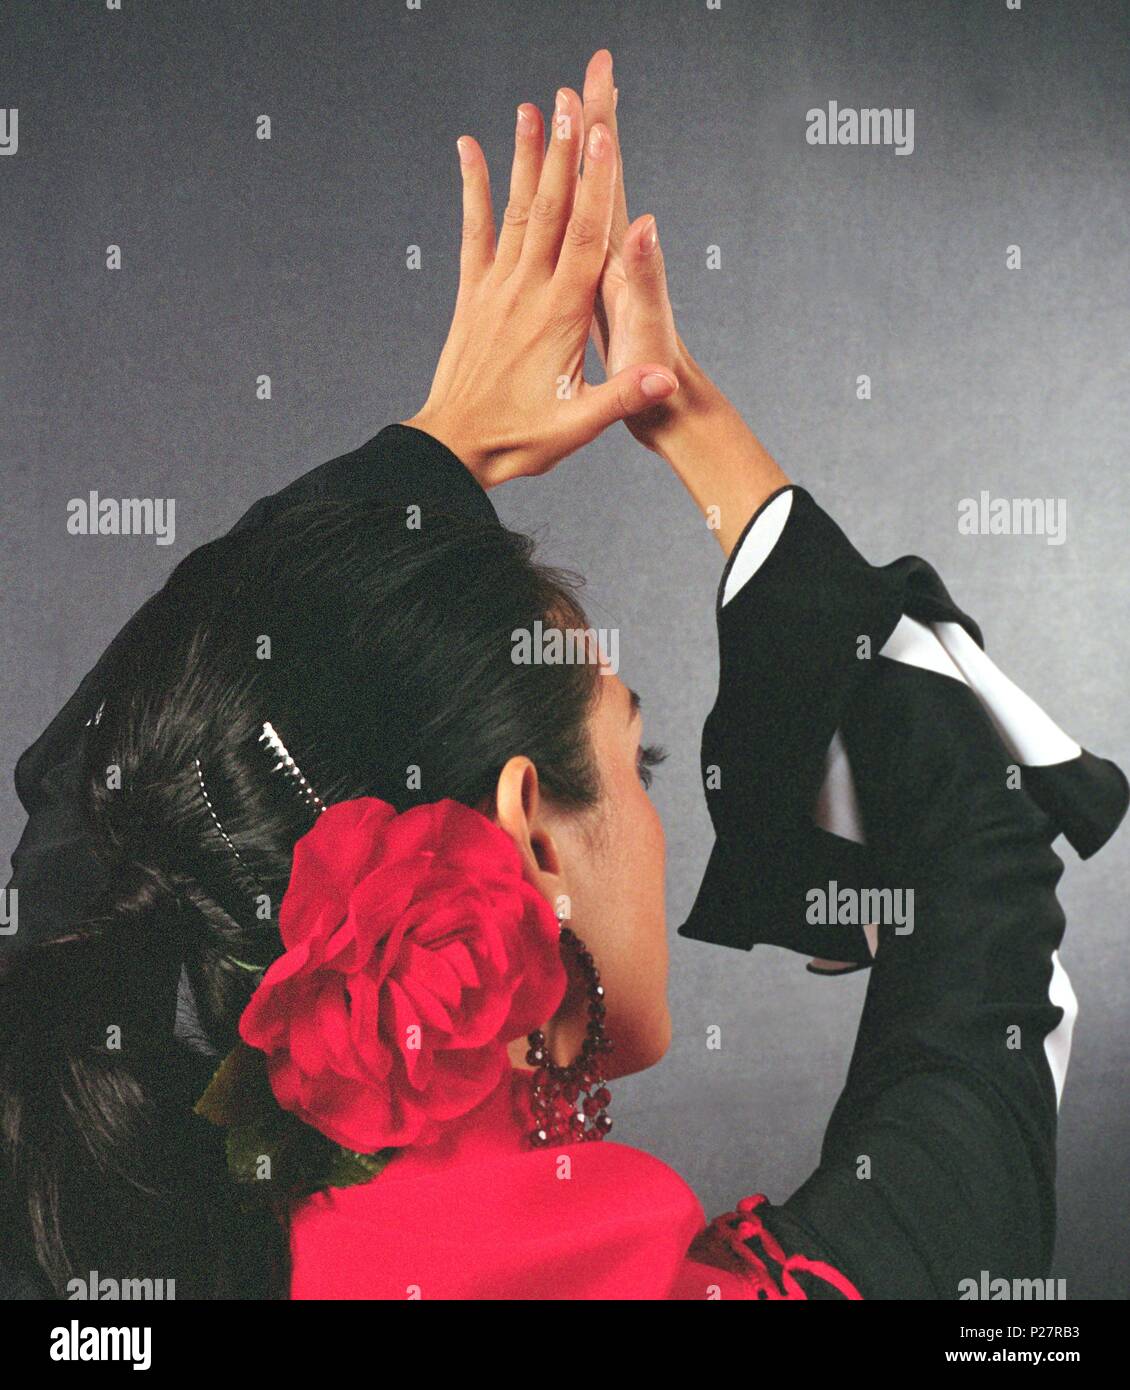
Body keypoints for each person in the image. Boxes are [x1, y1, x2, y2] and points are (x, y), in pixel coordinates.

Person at [1, 52, 1124, 1301]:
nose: (659, 818)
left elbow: (96, 814)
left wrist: (427, 463)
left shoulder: (119, 1245)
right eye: (635, 759)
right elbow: (984, 903)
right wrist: (707, 449)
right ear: (530, 839)